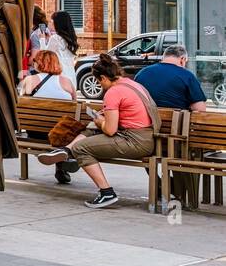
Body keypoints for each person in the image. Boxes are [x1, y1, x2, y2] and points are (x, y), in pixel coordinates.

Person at [37, 53, 158, 208]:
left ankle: (106, 192)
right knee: (90, 130)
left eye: (99, 83)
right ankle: (66, 151)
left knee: (80, 148)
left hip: (134, 141)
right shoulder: (131, 84)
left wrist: (101, 121)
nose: (101, 86)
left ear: (103, 78)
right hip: (146, 137)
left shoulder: (113, 92)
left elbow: (110, 130)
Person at [136, 43, 209, 112]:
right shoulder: (187, 76)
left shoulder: (141, 73)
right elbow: (200, 109)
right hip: (174, 124)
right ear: (182, 59)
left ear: (163, 58)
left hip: (145, 122)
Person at [46, 10, 79, 89]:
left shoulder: (55, 38)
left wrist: (42, 39)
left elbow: (45, 55)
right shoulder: (72, 39)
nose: (51, 23)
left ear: (58, 23)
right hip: (71, 76)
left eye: (52, 21)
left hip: (60, 77)